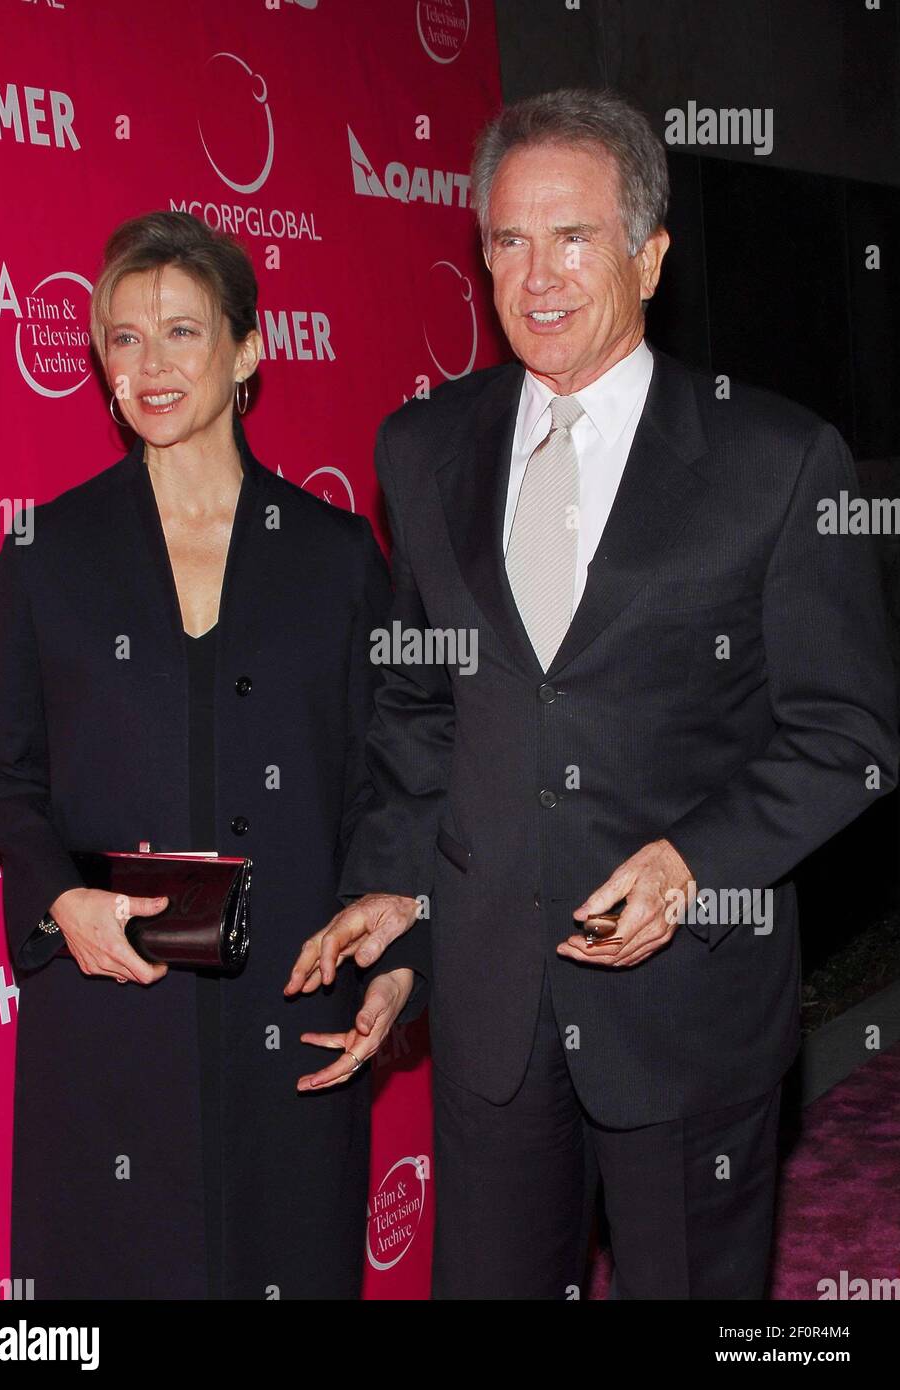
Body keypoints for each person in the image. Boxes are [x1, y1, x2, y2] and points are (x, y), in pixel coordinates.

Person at [287, 88, 900, 1298]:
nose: (538, 275)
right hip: (490, 1007)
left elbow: (847, 733)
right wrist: (396, 892)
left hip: (686, 1014)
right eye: (508, 241)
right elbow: (420, 711)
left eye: (574, 238)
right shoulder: (421, 449)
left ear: (649, 254)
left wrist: (694, 861)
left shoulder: (775, 461)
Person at [0, 210, 421, 1300]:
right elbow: (12, 777)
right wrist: (61, 905)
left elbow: (383, 783)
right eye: (124, 340)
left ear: (248, 348)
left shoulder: (334, 559)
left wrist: (397, 951)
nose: (151, 364)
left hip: (291, 1002)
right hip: (111, 1008)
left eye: (182, 331)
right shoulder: (47, 552)